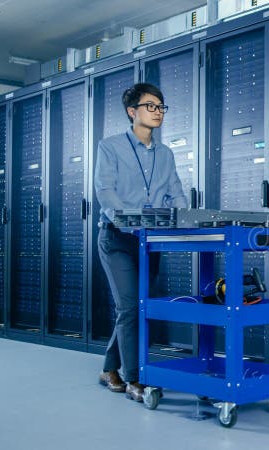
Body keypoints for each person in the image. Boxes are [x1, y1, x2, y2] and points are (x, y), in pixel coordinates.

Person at [95, 83, 188, 402]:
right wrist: (128, 221)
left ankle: (109, 368)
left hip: (150, 241)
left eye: (161, 107)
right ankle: (135, 379)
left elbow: (175, 192)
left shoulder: (165, 154)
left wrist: (186, 217)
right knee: (131, 305)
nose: (158, 112)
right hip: (117, 238)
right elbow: (105, 191)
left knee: (134, 307)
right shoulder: (110, 146)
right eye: (151, 106)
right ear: (132, 112)